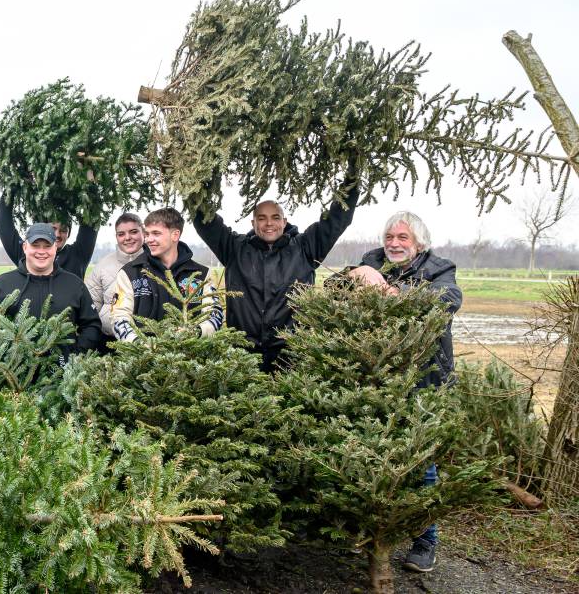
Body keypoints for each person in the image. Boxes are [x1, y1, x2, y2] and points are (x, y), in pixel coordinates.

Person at [340, 211, 462, 574]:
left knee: (421, 466)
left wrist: (390, 289)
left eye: (402, 238)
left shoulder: (440, 269)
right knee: (370, 458)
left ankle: (425, 543)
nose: (393, 243)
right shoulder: (370, 261)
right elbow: (333, 290)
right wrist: (354, 276)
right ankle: (372, 536)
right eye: (390, 237)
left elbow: (446, 300)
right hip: (376, 380)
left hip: (424, 382)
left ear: (419, 243)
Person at [189, 175, 359, 371]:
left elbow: (338, 219)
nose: (269, 223)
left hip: (292, 356)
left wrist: (352, 178)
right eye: (262, 218)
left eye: (275, 217)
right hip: (243, 355)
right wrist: (192, 182)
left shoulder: (306, 248)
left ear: (284, 221)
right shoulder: (234, 249)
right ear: (253, 223)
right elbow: (206, 223)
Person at [0, 223, 102, 354]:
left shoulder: (74, 284)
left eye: (47, 246)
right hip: (12, 371)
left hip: (63, 371)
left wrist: (75, 356)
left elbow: (92, 325)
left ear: (55, 247)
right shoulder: (2, 284)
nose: (41, 251)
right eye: (35, 245)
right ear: (25, 247)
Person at [110, 208, 222, 342]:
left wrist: (195, 332)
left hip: (191, 357)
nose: (149, 240)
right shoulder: (130, 273)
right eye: (147, 234)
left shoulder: (201, 274)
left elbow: (214, 314)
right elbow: (119, 317)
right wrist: (139, 344)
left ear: (175, 235)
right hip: (142, 358)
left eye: (156, 233)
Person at [0, 197, 98, 278]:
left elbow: (91, 222)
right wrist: (12, 185)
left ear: (69, 234)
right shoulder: (27, 253)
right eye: (52, 229)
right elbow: (3, 224)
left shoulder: (78, 254)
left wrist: (89, 186)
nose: (57, 234)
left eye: (63, 230)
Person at [86, 212, 145, 343]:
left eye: (133, 232)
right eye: (121, 234)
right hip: (109, 341)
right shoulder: (102, 266)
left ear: (144, 232)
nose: (127, 238)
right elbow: (90, 307)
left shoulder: (156, 264)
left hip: (149, 341)